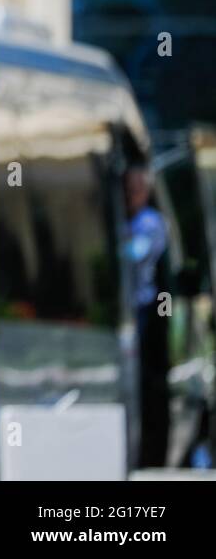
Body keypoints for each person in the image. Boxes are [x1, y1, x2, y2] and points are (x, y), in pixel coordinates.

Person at [124, 165, 171, 467]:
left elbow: (132, 255)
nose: (132, 195)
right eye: (129, 189)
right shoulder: (129, 220)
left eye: (137, 189)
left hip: (143, 307)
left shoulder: (151, 222)